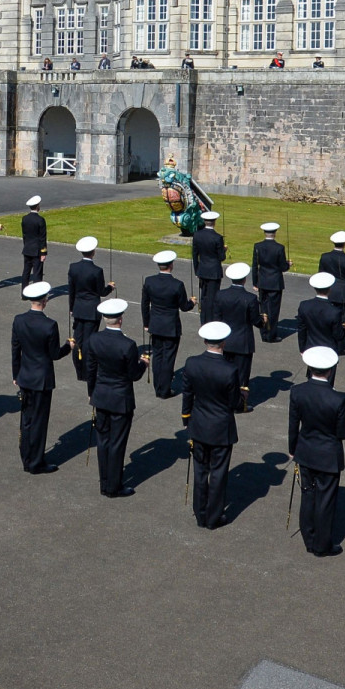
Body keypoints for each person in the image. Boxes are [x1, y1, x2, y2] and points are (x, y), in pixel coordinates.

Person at [290, 345, 345, 556]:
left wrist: (293, 450)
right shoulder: (338, 399)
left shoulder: (297, 391)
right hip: (328, 456)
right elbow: (342, 433)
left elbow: (293, 425)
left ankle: (308, 538)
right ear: (330, 371)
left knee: (308, 495)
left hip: (306, 452)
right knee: (325, 501)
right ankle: (322, 544)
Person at [84, 299, 149, 497]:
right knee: (117, 443)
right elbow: (133, 375)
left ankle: (104, 481)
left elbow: (91, 369)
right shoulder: (128, 345)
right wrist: (143, 364)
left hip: (101, 396)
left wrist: (91, 392)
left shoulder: (94, 339)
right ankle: (113, 486)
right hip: (120, 399)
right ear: (120, 319)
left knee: (103, 441)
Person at [181, 320, 238, 528]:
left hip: (199, 424)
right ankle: (214, 517)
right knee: (218, 473)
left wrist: (186, 418)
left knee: (200, 471)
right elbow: (233, 403)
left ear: (205, 340)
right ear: (223, 343)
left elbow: (187, 394)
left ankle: (200, 512)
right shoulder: (230, 370)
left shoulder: (191, 363)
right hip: (221, 427)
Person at [10, 281, 71, 473]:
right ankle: (35, 461)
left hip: (25, 376)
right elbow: (54, 354)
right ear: (45, 300)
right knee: (39, 422)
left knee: (26, 420)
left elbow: (15, 350)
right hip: (42, 379)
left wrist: (16, 374)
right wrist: (68, 347)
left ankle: (26, 455)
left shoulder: (19, 320)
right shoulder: (49, 325)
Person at [140, 251, 192, 399]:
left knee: (158, 356)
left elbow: (145, 304)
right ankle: (164, 389)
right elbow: (184, 307)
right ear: (171, 265)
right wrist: (192, 303)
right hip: (171, 326)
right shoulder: (177, 285)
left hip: (155, 324)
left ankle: (158, 386)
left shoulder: (150, 281)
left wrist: (146, 323)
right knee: (168, 358)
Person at [213, 262, 258, 412]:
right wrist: (263, 321)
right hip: (243, 341)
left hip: (226, 340)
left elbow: (217, 318)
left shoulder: (220, 295)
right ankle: (239, 404)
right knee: (242, 375)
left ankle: (224, 400)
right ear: (244, 279)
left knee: (226, 372)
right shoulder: (250, 298)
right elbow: (255, 321)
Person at [66, 236, 112, 381]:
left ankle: (79, 371)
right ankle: (88, 371)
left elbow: (71, 290)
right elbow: (101, 292)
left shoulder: (73, 267)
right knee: (89, 341)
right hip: (92, 309)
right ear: (93, 252)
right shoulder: (97, 271)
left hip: (79, 308)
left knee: (78, 340)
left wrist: (72, 308)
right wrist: (110, 287)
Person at [251, 221, 289, 342]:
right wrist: (288, 265)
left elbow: (254, 266)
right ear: (275, 233)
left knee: (263, 308)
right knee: (274, 310)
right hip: (275, 282)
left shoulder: (258, 246)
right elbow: (283, 267)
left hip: (263, 281)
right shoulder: (279, 248)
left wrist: (255, 282)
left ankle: (264, 332)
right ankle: (271, 334)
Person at [317, 231, 345, 343]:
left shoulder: (325, 257)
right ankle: (339, 345)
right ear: (344, 244)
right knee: (342, 321)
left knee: (327, 318)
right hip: (342, 293)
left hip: (328, 291)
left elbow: (321, 274)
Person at [295, 272, 343, 356]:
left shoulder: (304, 305)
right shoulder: (335, 311)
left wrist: (302, 349)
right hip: (329, 350)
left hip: (310, 347)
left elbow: (302, 330)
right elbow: (338, 335)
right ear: (330, 289)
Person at [191, 211, 225, 317]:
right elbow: (221, 257)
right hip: (214, 271)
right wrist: (224, 250)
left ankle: (203, 318)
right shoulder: (217, 238)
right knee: (213, 298)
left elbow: (195, 255)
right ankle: (211, 318)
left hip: (202, 270)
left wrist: (197, 270)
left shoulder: (197, 235)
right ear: (214, 222)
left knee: (204, 297)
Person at [20, 195, 47, 286]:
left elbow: (24, 235)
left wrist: (26, 245)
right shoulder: (40, 220)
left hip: (27, 248)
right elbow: (42, 238)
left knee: (26, 272)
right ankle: (36, 295)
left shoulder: (25, 218)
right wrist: (43, 253)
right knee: (37, 273)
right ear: (37, 206)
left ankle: (24, 293)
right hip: (37, 251)